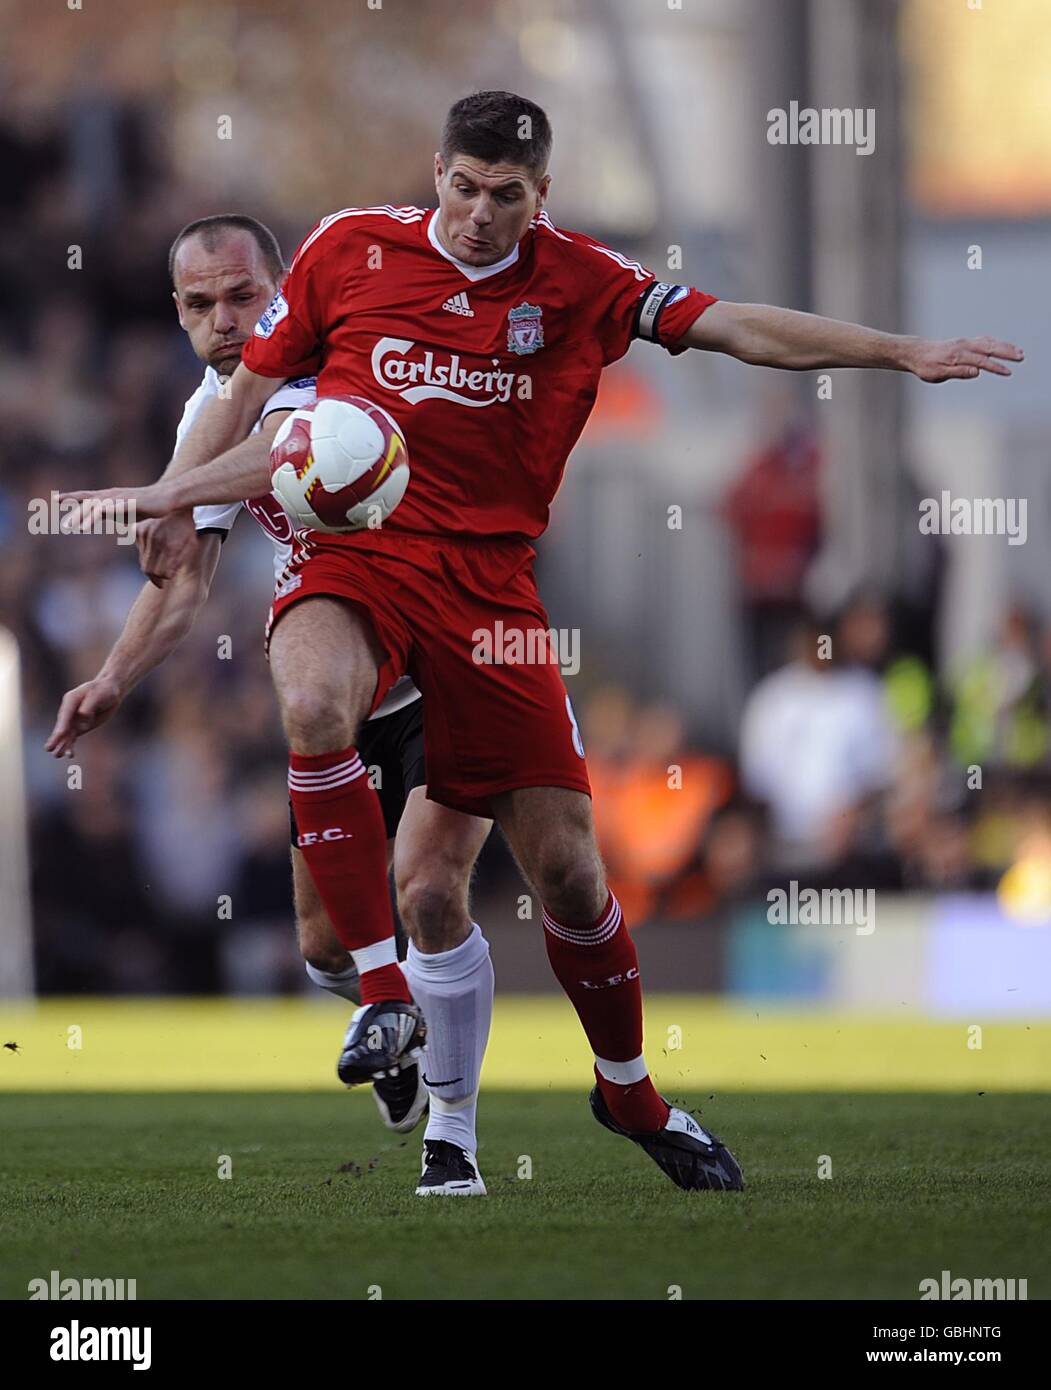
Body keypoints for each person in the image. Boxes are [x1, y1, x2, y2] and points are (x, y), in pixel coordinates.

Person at [69, 91, 1022, 1192]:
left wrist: (900, 351)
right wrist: (174, 508)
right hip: (360, 563)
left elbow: (737, 326)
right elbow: (243, 402)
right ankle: (387, 1006)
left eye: (504, 196)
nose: (478, 215)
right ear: (437, 173)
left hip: (490, 600)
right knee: (315, 732)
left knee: (565, 869)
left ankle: (623, 1093)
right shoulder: (348, 251)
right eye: (463, 188)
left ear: (541, 195)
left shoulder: (581, 281)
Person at [50, 215, 494, 1196]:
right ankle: (400, 1024)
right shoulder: (207, 413)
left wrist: (159, 492)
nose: (221, 320)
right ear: (176, 313)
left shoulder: (350, 348)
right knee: (320, 947)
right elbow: (183, 587)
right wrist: (112, 680)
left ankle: (462, 1132)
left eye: (241, 296)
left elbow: (290, 449)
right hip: (337, 685)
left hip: (448, 654)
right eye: (198, 305)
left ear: (287, 285)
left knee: (431, 892)